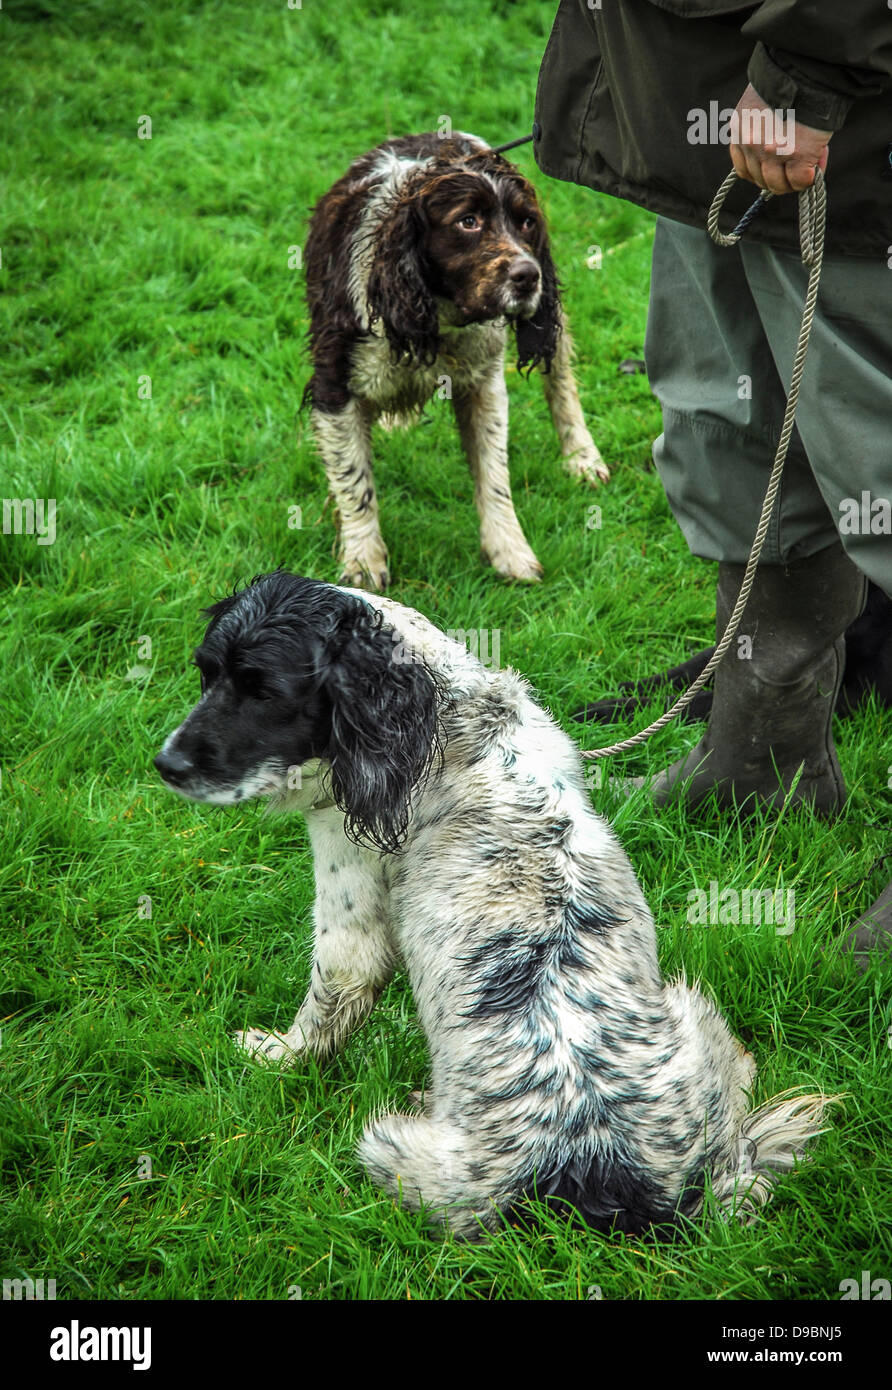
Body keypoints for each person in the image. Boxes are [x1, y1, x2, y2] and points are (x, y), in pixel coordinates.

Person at [532, 0, 892, 957]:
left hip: (845, 123)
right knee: (730, 428)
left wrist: (811, 73)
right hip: (703, 107)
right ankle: (766, 755)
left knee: (882, 463)